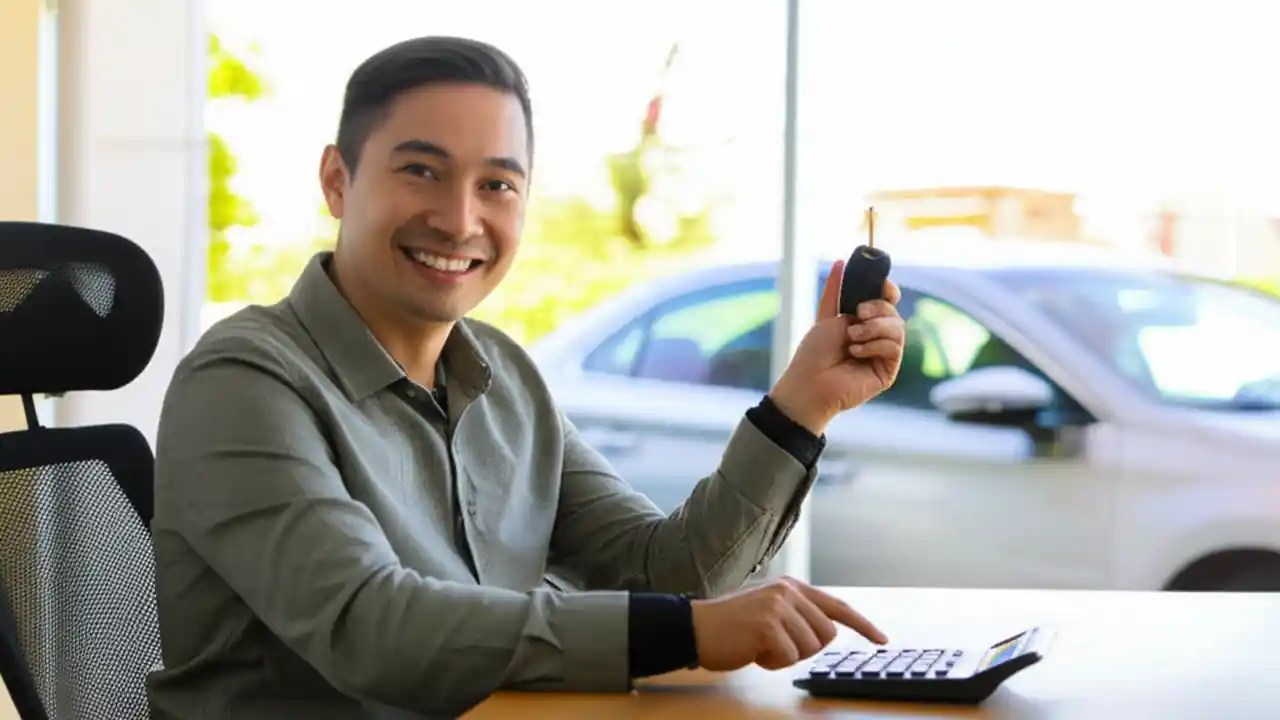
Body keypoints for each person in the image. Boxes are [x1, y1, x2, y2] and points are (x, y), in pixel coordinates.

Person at [145, 36, 906, 719]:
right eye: (421, 170)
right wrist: (686, 632)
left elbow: (667, 571)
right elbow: (370, 627)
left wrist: (802, 406)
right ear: (337, 181)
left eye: (497, 185)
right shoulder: (241, 381)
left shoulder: (504, 375)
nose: (459, 219)